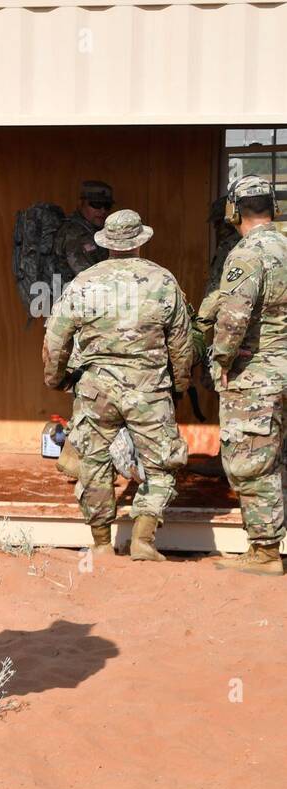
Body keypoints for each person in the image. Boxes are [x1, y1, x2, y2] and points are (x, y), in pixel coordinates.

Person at [43, 210, 193, 561]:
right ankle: (143, 539)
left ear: (106, 244)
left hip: (97, 390)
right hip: (149, 389)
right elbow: (182, 343)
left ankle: (100, 543)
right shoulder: (163, 280)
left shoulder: (84, 282)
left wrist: (56, 378)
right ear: (141, 241)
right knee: (162, 464)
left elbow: (56, 336)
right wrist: (179, 384)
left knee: (93, 463)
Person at [194, 175, 287, 575]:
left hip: (257, 375)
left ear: (234, 211)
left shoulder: (245, 255)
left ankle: (265, 552)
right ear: (273, 207)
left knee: (252, 462)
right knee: (279, 456)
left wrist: (220, 362)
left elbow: (232, 320)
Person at [54, 180, 114, 280]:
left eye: (107, 206)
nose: (103, 211)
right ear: (81, 204)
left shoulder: (94, 231)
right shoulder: (75, 234)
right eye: (96, 204)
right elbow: (88, 278)